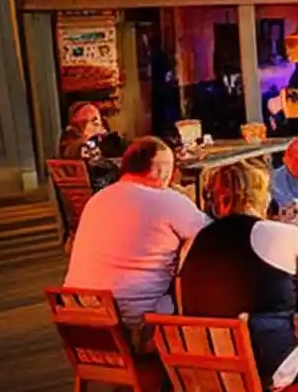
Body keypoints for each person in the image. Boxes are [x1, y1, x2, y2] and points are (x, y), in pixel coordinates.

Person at [179, 163, 298, 392]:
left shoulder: (192, 243)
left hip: (209, 370)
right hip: (267, 369)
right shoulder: (283, 234)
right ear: (262, 198)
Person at [64, 136, 209, 340]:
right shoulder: (166, 200)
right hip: (136, 326)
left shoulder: (97, 200)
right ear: (159, 171)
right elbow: (213, 236)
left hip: (81, 322)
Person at [57, 102, 121, 190]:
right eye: (96, 122)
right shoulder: (83, 145)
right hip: (98, 193)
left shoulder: (69, 142)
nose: (101, 126)